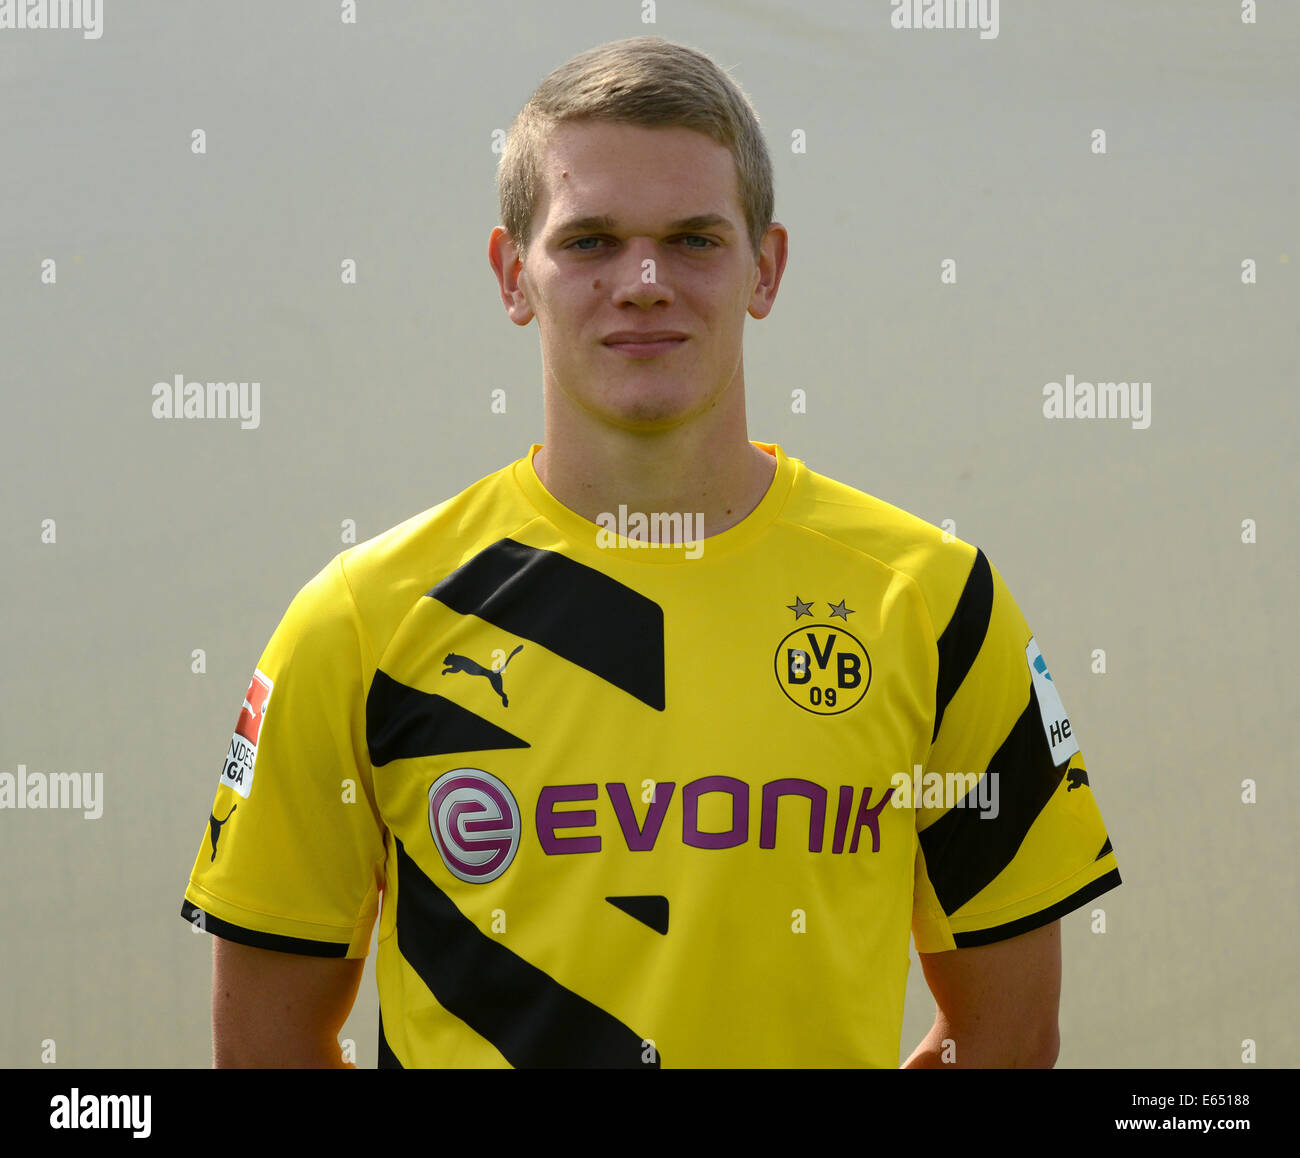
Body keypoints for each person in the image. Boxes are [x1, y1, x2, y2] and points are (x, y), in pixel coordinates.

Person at [181, 35, 1120, 1068]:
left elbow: (1010, 1037)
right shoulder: (360, 621)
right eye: (588, 242)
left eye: (693, 240)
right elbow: (267, 1043)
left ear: (764, 267)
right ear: (512, 274)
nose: (642, 282)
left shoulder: (937, 605)